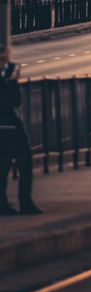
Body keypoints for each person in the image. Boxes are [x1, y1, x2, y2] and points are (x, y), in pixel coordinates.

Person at [0, 59, 40, 215]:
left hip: (8, 127)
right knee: (20, 162)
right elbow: (14, 101)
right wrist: (10, 81)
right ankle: (23, 202)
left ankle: (9, 203)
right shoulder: (4, 80)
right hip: (7, 127)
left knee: (5, 165)